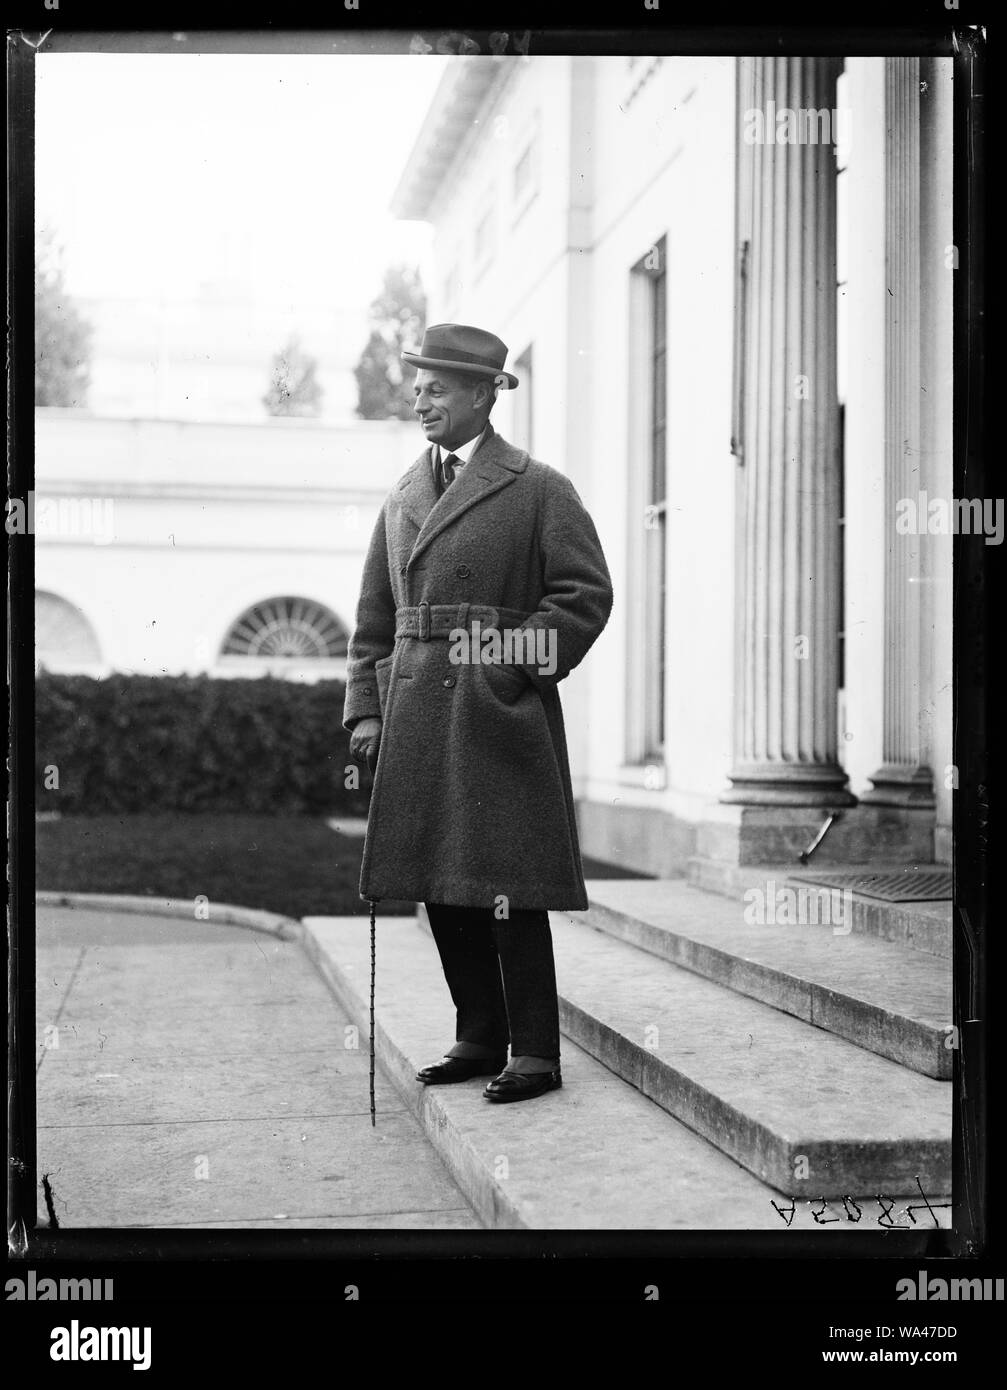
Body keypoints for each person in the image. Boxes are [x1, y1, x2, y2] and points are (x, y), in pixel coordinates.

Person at [344, 323, 613, 1103]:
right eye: (417, 387)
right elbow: (372, 613)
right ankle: (476, 1035)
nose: (420, 401)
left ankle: (534, 1053)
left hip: (497, 715)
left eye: (436, 389)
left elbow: (582, 596)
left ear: (482, 394)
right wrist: (366, 710)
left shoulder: (537, 487)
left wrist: (506, 665)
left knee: (509, 882)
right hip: (416, 713)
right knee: (438, 877)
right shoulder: (403, 492)